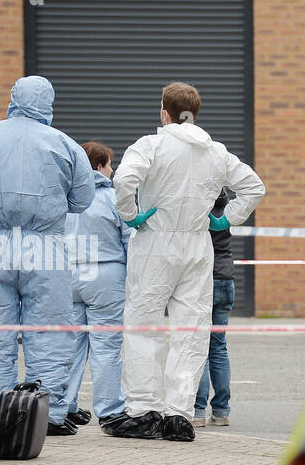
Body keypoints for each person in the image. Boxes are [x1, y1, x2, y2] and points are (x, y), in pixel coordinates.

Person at [112, 82, 265, 441]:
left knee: (142, 325)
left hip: (155, 242)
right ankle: (178, 415)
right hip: (198, 246)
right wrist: (227, 219)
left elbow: (123, 178)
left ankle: (141, 410)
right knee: (192, 330)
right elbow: (254, 186)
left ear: (164, 112)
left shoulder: (151, 145)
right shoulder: (217, 152)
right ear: (194, 114)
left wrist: (130, 214)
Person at [0, 76, 96, 436]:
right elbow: (83, 199)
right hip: (44, 246)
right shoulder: (63, 144)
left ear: (13, 99)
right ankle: (45, 414)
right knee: (49, 330)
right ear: (48, 104)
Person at [57, 142, 133, 433]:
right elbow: (129, 241)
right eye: (110, 164)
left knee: (70, 348)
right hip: (105, 276)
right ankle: (111, 411)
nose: (112, 170)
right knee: (106, 347)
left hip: (67, 277)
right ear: (100, 167)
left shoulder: (63, 199)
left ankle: (63, 407)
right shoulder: (114, 198)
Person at [194, 189, 235, 428]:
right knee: (218, 346)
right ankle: (221, 411)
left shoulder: (197, 208)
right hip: (225, 278)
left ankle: (197, 411)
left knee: (198, 346)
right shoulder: (227, 209)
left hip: (201, 279)